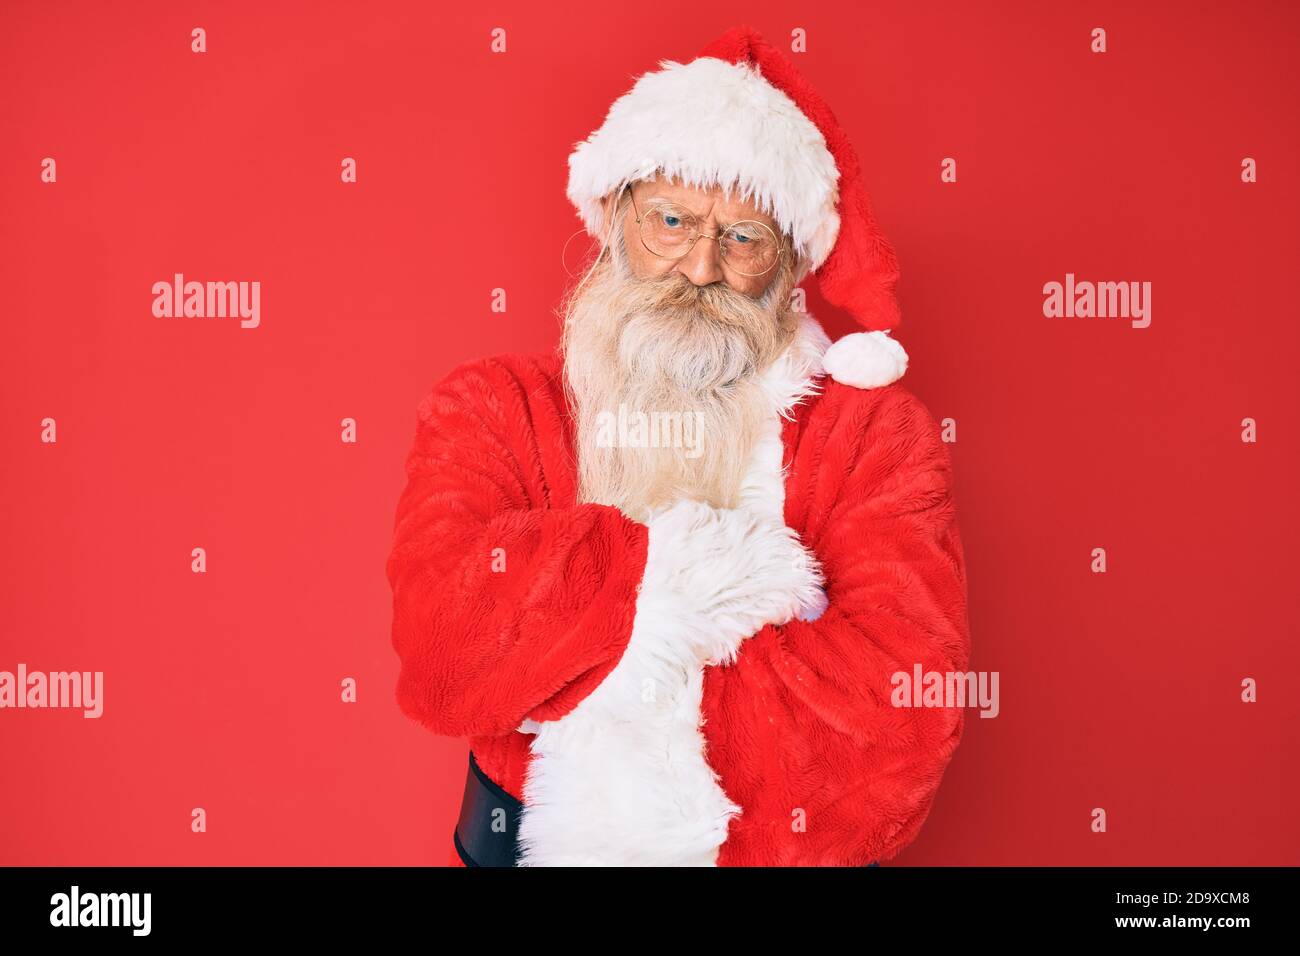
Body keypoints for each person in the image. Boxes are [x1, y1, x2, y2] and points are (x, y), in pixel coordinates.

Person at [385, 24, 971, 866]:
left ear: (789, 266)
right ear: (615, 218)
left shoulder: (876, 435)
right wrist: (688, 577)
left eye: (743, 238)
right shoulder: (489, 407)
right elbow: (443, 648)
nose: (700, 267)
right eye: (671, 220)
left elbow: (904, 714)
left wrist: (576, 659)